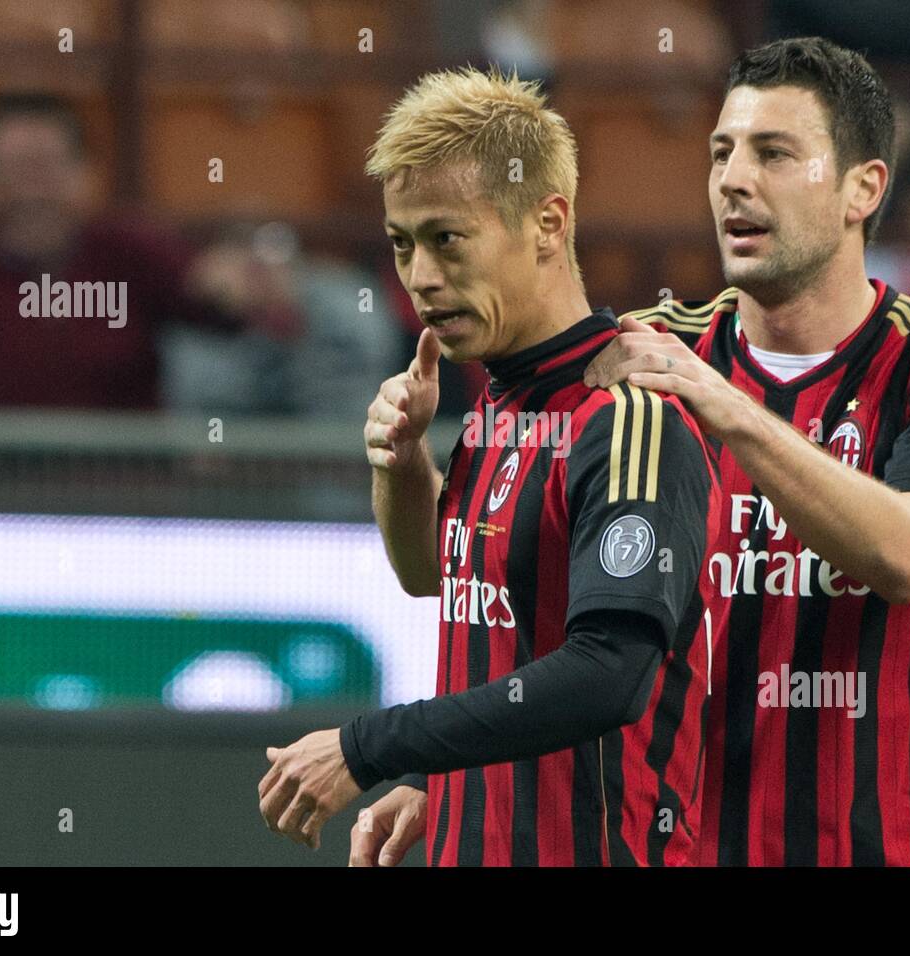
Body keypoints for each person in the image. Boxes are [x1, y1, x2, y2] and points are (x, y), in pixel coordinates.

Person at [257, 68, 725, 866]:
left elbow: (609, 673)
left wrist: (369, 748)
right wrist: (403, 464)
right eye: (402, 244)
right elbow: (437, 581)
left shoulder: (627, 422)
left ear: (547, 223)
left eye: (446, 239)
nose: (420, 276)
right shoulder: (499, 402)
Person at [584, 37, 910, 865]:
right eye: (722, 153)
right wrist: (446, 771)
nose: (732, 179)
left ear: (864, 188)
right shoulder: (649, 353)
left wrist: (727, 408)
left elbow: (908, 554)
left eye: (773, 153)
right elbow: (524, 589)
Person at [0, 92, 295, 408]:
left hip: (124, 479)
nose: (32, 193)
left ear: (85, 172)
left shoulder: (129, 252)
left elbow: (235, 306)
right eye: (14, 171)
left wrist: (249, 285)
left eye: (47, 169)